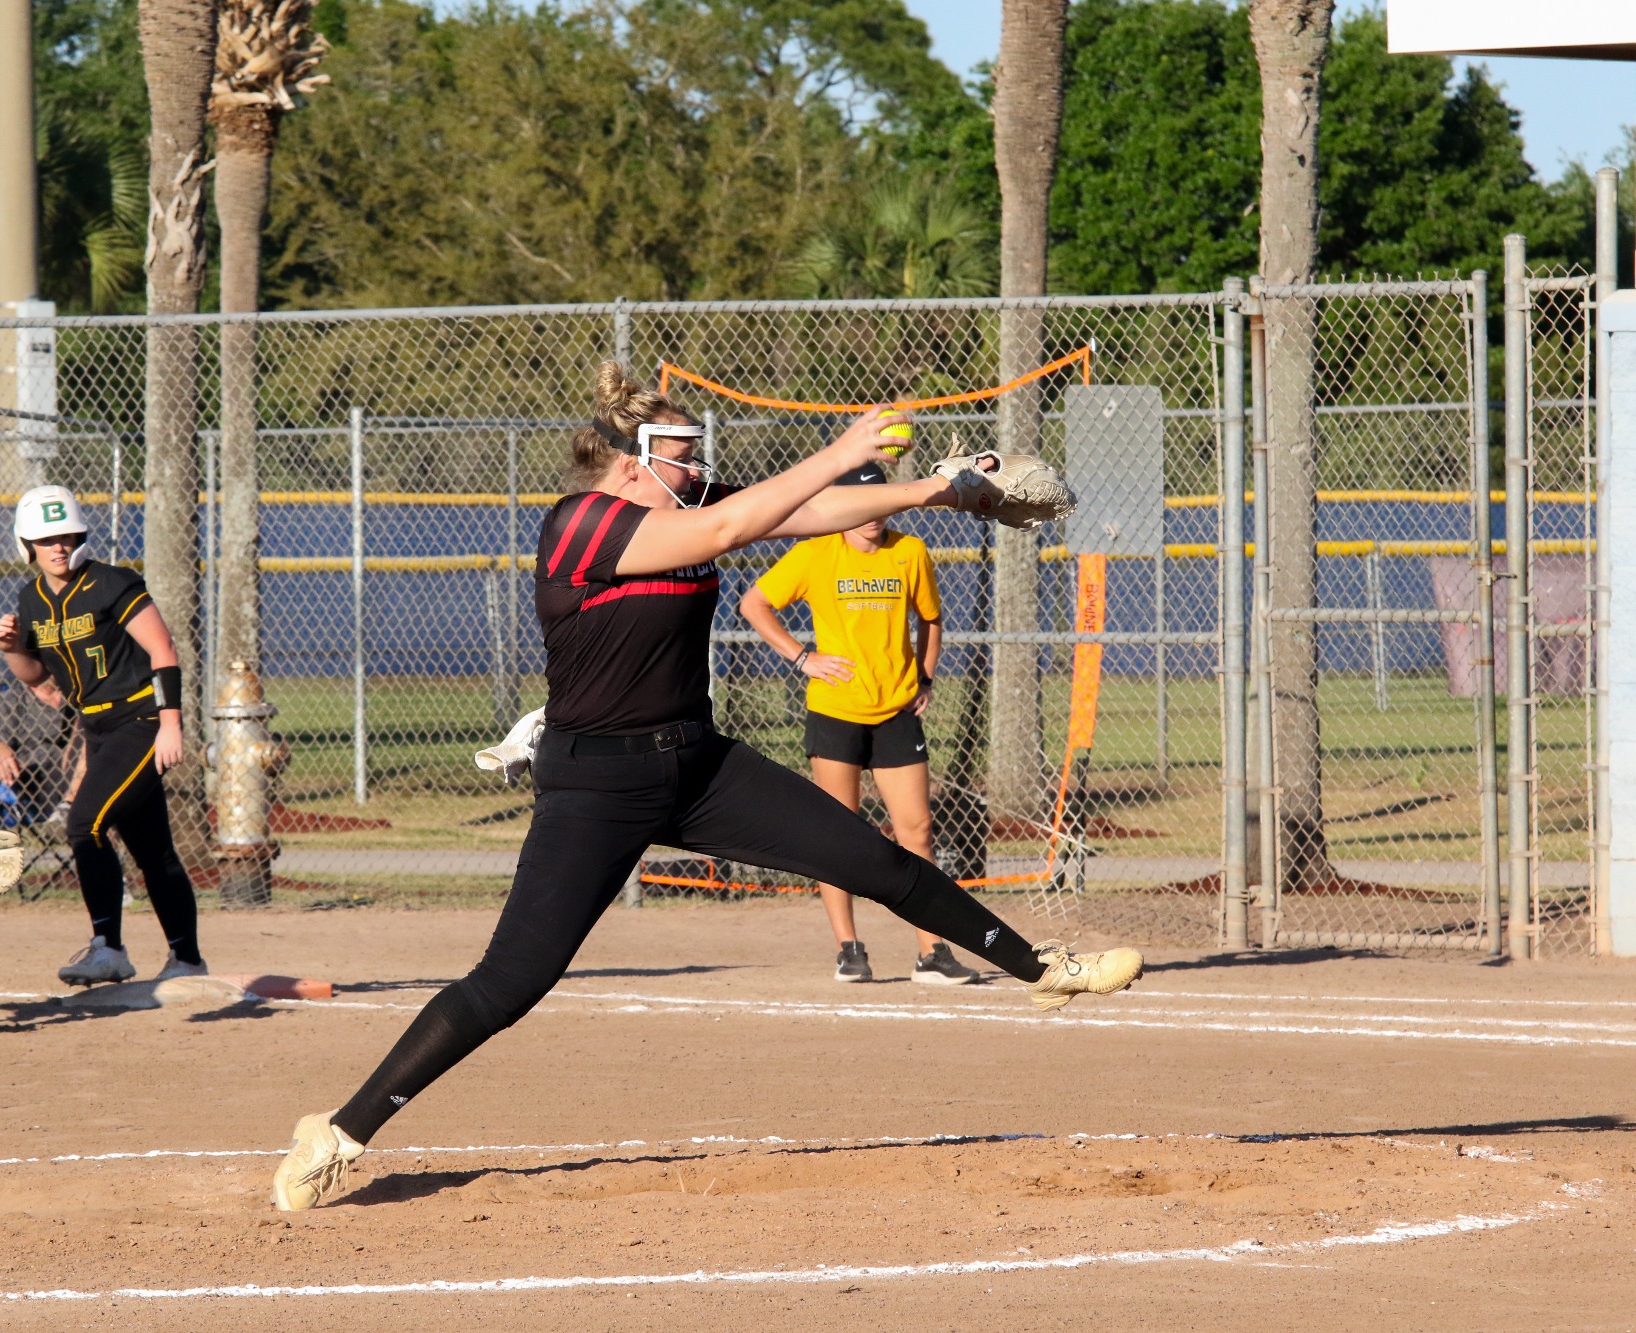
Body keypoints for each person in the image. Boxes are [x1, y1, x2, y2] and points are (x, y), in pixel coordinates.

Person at [268, 364, 1143, 1210]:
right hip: (595, 785)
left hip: (698, 764)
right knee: (510, 981)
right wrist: (838, 449)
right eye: (679, 457)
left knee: (873, 858)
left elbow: (807, 511)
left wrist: (933, 494)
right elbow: (732, 530)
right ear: (626, 465)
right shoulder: (579, 523)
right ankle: (338, 1134)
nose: (697, 470)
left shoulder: (691, 504)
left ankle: (1040, 966)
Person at [739, 461, 977, 985]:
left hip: (894, 711)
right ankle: (849, 948)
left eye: (881, 504)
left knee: (916, 830)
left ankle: (932, 951)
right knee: (838, 835)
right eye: (862, 505)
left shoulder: (909, 552)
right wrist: (802, 658)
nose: (873, 516)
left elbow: (931, 620)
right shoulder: (815, 551)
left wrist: (926, 677)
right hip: (835, 712)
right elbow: (754, 603)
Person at [0, 485, 207, 986]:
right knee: (153, 851)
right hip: (97, 728)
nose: (58, 547)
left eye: (66, 536)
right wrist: (8, 646)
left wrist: (171, 724)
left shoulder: (112, 582)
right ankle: (188, 960)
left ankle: (107, 947)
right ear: (27, 545)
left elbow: (164, 650)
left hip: (140, 722)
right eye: (46, 539)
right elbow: (34, 676)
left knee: (83, 824)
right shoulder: (32, 600)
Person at [0, 677, 83, 829]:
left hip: (71, 771)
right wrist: (0, 750)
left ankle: (67, 811)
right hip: (30, 775)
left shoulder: (75, 693)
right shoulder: (15, 695)